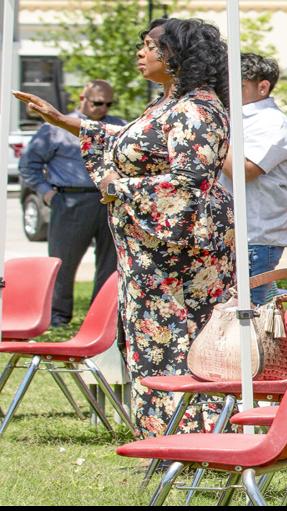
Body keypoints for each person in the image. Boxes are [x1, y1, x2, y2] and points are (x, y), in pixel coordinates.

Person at [16, 18, 234, 437]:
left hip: (181, 251)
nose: (141, 52)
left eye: (150, 45)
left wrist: (120, 186)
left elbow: (191, 181)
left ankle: (191, 437)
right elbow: (130, 140)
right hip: (153, 251)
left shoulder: (197, 108)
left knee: (179, 337)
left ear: (175, 55)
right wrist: (63, 120)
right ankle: (164, 437)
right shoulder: (167, 104)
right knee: (154, 338)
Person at [18, 80, 124, 327]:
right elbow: (28, 165)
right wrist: (48, 194)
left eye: (109, 103)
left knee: (111, 263)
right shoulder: (54, 128)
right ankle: (57, 316)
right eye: (98, 102)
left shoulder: (117, 126)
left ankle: (99, 317)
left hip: (109, 200)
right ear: (82, 97)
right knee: (63, 262)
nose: (103, 108)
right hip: (70, 199)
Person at [230, 53, 287, 306]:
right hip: (233, 235)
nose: (226, 91)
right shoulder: (233, 118)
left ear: (263, 86)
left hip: (255, 239)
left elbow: (245, 171)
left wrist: (212, 136)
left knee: (250, 323)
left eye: (237, 86)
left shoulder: (272, 122)